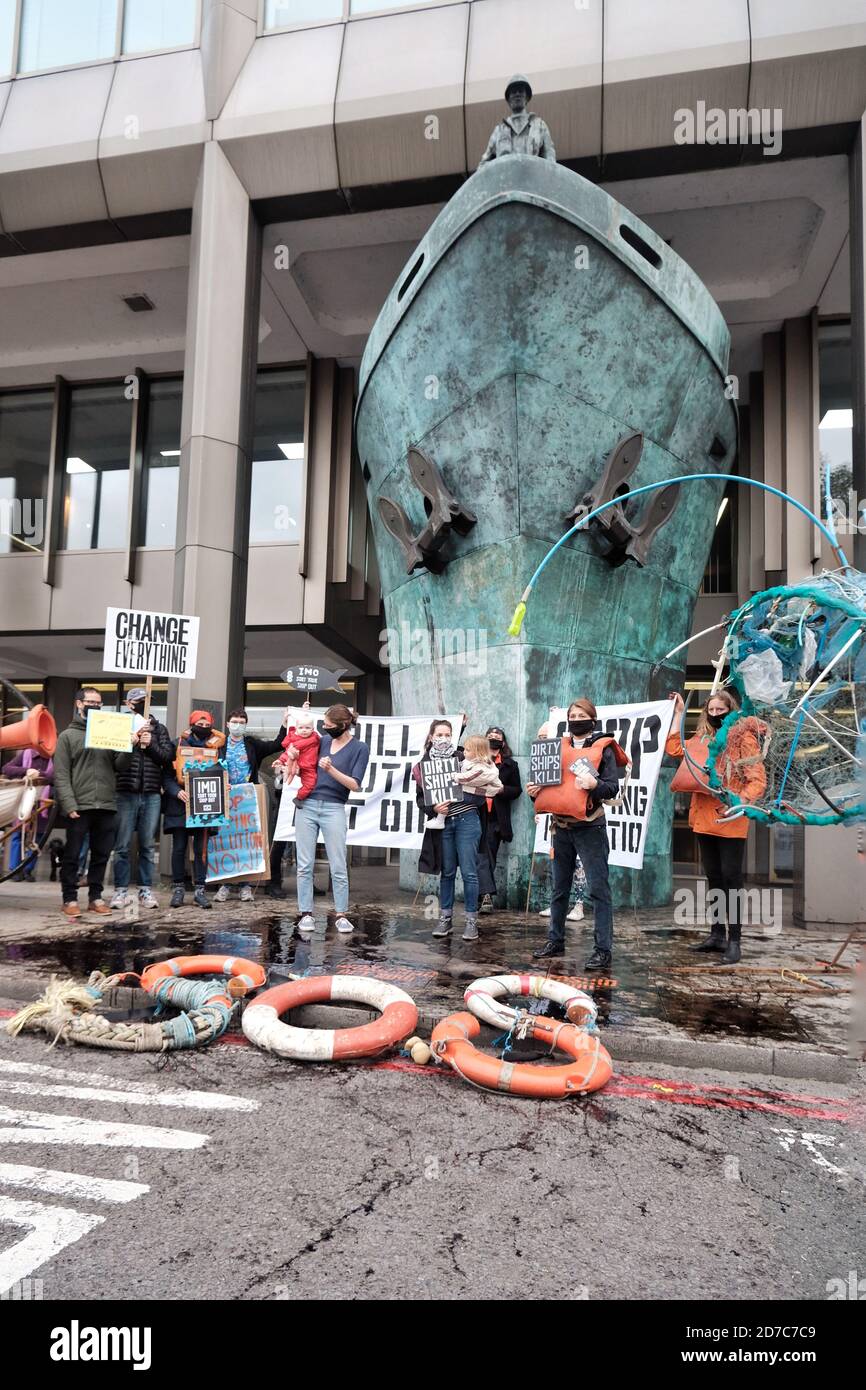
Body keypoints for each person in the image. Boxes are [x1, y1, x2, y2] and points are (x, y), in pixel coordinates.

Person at [667, 689, 767, 964]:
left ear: (731, 711)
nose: (714, 716)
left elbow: (757, 780)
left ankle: (735, 941)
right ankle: (716, 934)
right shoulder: (703, 738)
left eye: (720, 711)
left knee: (732, 879)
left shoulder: (743, 740)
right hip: (703, 817)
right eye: (710, 711)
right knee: (713, 878)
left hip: (730, 818)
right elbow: (675, 747)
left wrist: (738, 802)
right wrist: (678, 715)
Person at [527, 698, 627, 969]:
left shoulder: (602, 749)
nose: (576, 718)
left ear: (592, 720)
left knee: (598, 889)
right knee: (559, 888)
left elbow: (611, 788)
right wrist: (535, 791)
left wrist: (595, 784)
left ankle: (603, 950)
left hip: (590, 828)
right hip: (561, 828)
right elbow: (546, 787)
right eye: (572, 715)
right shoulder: (555, 748)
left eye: (581, 714)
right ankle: (555, 941)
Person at [53, 687, 135, 920]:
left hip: (106, 804)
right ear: (79, 704)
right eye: (91, 702)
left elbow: (119, 765)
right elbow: (61, 774)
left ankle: (95, 898)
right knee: (72, 855)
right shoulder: (67, 737)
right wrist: (69, 804)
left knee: (101, 854)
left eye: (99, 703)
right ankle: (69, 899)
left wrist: (129, 746)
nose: (95, 706)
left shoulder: (108, 732)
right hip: (79, 805)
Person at [412, 719, 493, 943]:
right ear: (431, 737)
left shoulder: (462, 757)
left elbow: (483, 782)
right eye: (439, 734)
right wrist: (433, 807)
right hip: (444, 822)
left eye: (448, 734)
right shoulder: (423, 765)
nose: (443, 738)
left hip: (467, 820)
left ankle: (471, 921)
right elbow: (420, 799)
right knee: (447, 871)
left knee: (469, 872)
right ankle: (445, 918)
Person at [294, 703, 369, 935]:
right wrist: (290, 764)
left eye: (328, 725)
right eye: (323, 725)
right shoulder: (322, 741)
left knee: (338, 863)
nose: (324, 729)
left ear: (343, 725)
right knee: (304, 864)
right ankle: (306, 913)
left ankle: (341, 914)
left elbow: (355, 785)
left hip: (335, 806)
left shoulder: (360, 748)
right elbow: (306, 765)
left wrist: (331, 769)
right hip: (307, 805)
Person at [213, 707, 287, 904]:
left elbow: (277, 745)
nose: (238, 725)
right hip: (224, 797)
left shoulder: (252, 744)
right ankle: (225, 885)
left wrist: (285, 723)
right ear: (228, 724)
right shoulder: (218, 745)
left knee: (246, 842)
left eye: (242, 722)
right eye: (234, 722)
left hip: (247, 798)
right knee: (227, 842)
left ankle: (245, 886)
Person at [110, 687, 174, 910]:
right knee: (122, 844)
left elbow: (168, 757)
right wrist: (132, 743)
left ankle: (146, 890)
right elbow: (113, 760)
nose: (143, 704)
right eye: (139, 701)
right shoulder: (120, 725)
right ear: (129, 704)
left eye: (146, 701)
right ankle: (120, 890)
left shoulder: (159, 729)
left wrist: (151, 744)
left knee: (147, 845)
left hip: (151, 793)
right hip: (125, 791)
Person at [164, 710, 226, 910]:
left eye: (207, 725)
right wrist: (175, 792)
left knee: (201, 850)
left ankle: (200, 890)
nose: (204, 727)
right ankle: (178, 889)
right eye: (200, 723)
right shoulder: (177, 744)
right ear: (191, 723)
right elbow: (165, 775)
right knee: (179, 848)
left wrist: (225, 785)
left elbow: (223, 772)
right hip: (180, 804)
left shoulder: (217, 747)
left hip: (205, 805)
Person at [477, 724, 522, 913]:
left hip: (495, 819)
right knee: (480, 857)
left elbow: (517, 790)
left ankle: (484, 896)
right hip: (475, 814)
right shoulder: (475, 760)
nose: (493, 736)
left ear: (502, 742)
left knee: (488, 857)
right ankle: (485, 895)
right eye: (490, 734)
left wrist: (502, 789)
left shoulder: (510, 765)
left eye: (497, 735)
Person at [477, 75, 556, 168]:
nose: (517, 94)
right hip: (507, 180)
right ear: (509, 99)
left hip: (532, 178)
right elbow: (483, 165)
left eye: (521, 91)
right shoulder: (499, 130)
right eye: (513, 92)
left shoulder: (539, 126)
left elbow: (550, 162)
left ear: (527, 97)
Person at [4, 744, 54, 882]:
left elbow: (56, 776)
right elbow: (6, 769)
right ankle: (14, 870)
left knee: (38, 837)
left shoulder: (55, 757)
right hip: (24, 801)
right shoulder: (26, 754)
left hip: (43, 802)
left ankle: (27, 870)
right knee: (18, 835)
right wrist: (26, 770)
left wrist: (40, 774)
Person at [538, 845, 586, 922]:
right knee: (560, 865)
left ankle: (579, 907)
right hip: (564, 836)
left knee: (579, 866)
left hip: (582, 837)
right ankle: (556, 906)